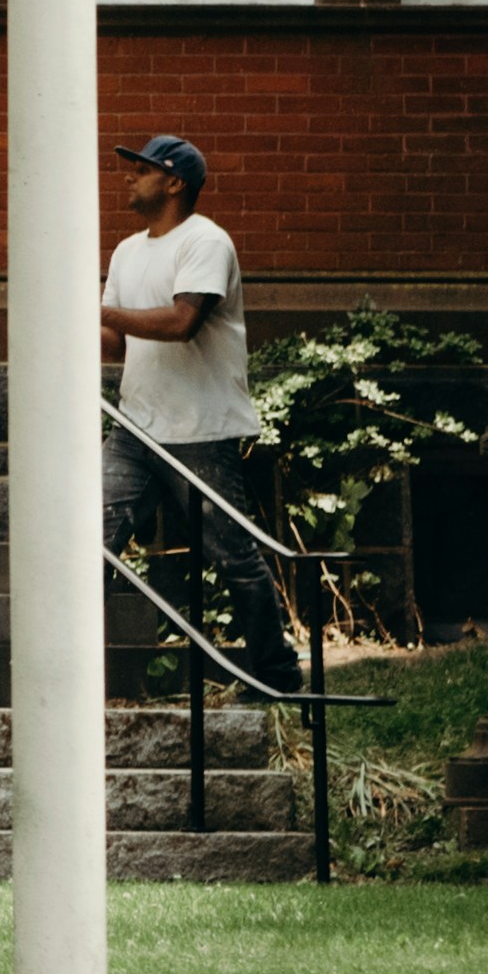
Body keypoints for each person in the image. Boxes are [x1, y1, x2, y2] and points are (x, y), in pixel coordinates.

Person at [95, 133, 297, 686]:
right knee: (91, 540)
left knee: (233, 556)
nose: (128, 177)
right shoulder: (126, 251)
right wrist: (75, 320)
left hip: (201, 430)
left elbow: (183, 323)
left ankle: (276, 676)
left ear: (174, 181)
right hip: (137, 427)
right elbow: (115, 347)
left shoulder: (207, 243)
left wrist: (106, 311)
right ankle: (78, 677)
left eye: (141, 169)